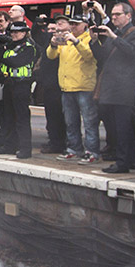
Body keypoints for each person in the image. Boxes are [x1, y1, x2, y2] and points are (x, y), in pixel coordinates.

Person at [89, 1, 135, 173]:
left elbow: (134, 53)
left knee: (123, 127)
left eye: (117, 14)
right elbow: (103, 58)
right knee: (119, 126)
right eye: (112, 14)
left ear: (129, 16)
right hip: (110, 86)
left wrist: (113, 38)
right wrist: (94, 42)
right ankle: (131, 160)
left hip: (124, 87)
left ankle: (122, 163)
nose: (113, 18)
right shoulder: (116, 34)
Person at [48, 14, 100, 163]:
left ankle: (92, 151)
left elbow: (90, 56)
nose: (73, 27)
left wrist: (76, 41)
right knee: (70, 121)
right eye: (71, 24)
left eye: (76, 24)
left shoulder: (88, 38)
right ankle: (74, 148)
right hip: (67, 86)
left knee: (89, 122)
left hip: (84, 86)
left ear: (84, 25)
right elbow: (51, 56)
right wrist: (53, 44)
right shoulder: (65, 39)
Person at [0, 20, 37, 158]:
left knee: (22, 117)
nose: (14, 35)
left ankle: (25, 148)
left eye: (17, 32)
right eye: (12, 32)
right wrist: (4, 47)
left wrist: (6, 55)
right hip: (8, 84)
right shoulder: (9, 46)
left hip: (21, 85)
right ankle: (10, 145)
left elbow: (16, 62)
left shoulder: (29, 47)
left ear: (24, 33)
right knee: (8, 117)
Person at [32, 15, 66, 153]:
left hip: (62, 83)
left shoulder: (68, 39)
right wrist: (38, 21)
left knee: (62, 117)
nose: (53, 30)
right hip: (48, 83)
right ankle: (54, 142)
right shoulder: (47, 39)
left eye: (56, 27)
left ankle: (62, 143)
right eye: (50, 28)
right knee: (51, 116)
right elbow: (35, 33)